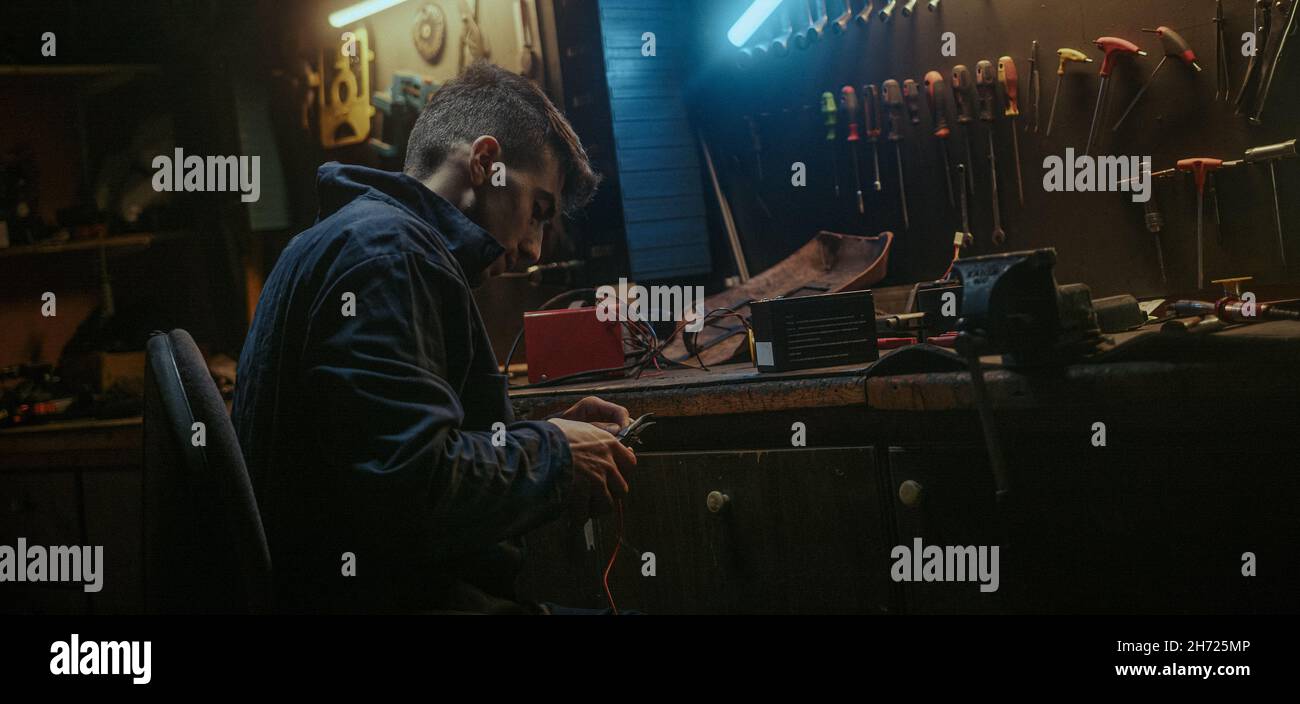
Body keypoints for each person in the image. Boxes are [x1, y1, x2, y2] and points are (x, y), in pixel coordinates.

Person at [232, 62, 636, 613]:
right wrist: (555, 455)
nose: (534, 249)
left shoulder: (353, 240)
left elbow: (390, 452)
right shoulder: (389, 256)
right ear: (486, 163)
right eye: (538, 212)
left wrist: (548, 434)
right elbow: (411, 490)